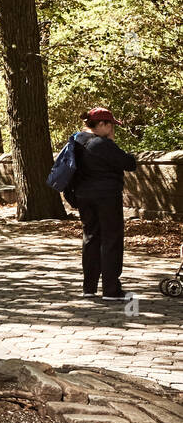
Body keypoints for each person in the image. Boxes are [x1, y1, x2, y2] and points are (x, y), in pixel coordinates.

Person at [71, 107, 137, 301]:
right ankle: (111, 289)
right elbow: (129, 163)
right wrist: (111, 143)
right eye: (111, 126)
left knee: (90, 237)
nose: (113, 131)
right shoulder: (102, 144)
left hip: (83, 196)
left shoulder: (77, 141)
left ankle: (89, 288)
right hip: (106, 196)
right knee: (111, 239)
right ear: (101, 124)